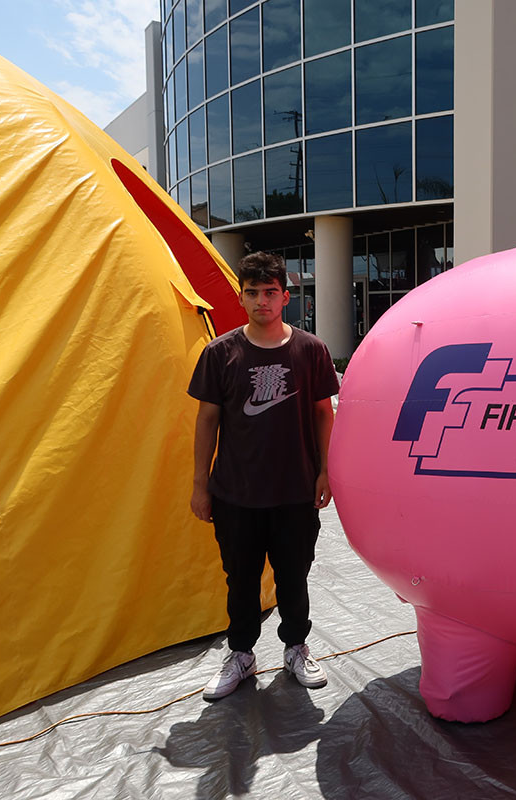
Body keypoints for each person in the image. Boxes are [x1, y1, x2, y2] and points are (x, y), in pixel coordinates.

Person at [188, 251, 341, 701]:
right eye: (252, 292)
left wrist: (326, 471)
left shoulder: (311, 350)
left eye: (270, 292)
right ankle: (241, 654)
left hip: (294, 490)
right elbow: (207, 421)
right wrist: (201, 483)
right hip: (236, 492)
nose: (261, 301)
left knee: (295, 575)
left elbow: (322, 414)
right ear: (241, 297)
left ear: (286, 297)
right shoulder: (220, 353)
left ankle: (295, 648)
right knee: (241, 579)